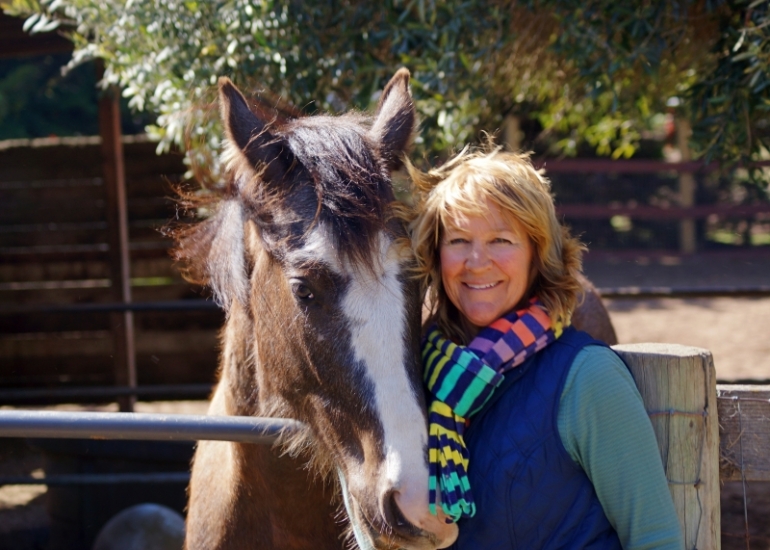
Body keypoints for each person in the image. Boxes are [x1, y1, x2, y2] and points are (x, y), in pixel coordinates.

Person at [406, 145, 684, 549]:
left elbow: (655, 540)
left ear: (538, 254)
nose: (477, 261)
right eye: (459, 240)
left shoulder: (587, 378)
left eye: (501, 240)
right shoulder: (413, 381)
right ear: (435, 254)